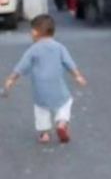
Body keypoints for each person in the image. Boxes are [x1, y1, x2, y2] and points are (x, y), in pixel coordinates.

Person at [3, 14, 87, 144]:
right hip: (58, 88)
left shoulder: (33, 50)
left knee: (41, 109)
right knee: (65, 103)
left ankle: (44, 134)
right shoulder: (59, 47)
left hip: (40, 91)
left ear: (36, 32)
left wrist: (10, 80)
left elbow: (21, 66)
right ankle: (61, 123)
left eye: (31, 31)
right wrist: (78, 76)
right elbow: (69, 63)